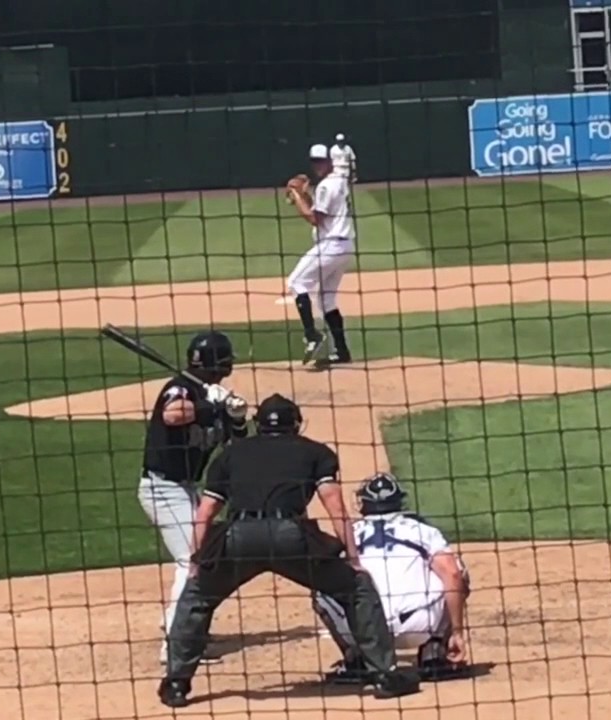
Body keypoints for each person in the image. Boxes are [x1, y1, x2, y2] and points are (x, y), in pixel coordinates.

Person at [157, 395, 422, 708]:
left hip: (238, 538)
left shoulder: (231, 453)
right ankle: (385, 676)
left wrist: (197, 562)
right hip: (291, 538)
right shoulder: (315, 451)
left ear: (258, 424)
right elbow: (335, 508)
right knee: (357, 589)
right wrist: (352, 559)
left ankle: (176, 683)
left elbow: (205, 513)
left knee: (197, 597)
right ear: (295, 424)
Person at [136, 330, 249, 665]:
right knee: (193, 559)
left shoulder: (212, 395)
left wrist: (235, 417)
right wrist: (208, 405)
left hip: (187, 488)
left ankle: (179, 619)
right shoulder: (182, 389)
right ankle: (177, 641)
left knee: (206, 554)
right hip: (163, 488)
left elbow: (236, 448)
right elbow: (173, 414)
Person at [311, 473, 472, 684]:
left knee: (320, 587)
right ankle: (434, 656)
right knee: (457, 573)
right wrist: (457, 632)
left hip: (364, 630)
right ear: (399, 502)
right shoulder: (423, 530)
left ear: (364, 503)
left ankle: (357, 660)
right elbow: (453, 575)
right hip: (418, 627)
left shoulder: (349, 534)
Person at [286, 143, 356, 370]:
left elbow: (314, 219)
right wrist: (304, 195)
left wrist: (296, 196)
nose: (317, 165)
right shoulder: (339, 182)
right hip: (344, 246)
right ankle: (342, 351)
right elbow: (320, 211)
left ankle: (312, 335)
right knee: (326, 300)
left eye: (321, 161)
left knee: (296, 282)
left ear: (330, 161)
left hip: (331, 245)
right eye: (314, 161)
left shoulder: (327, 185)